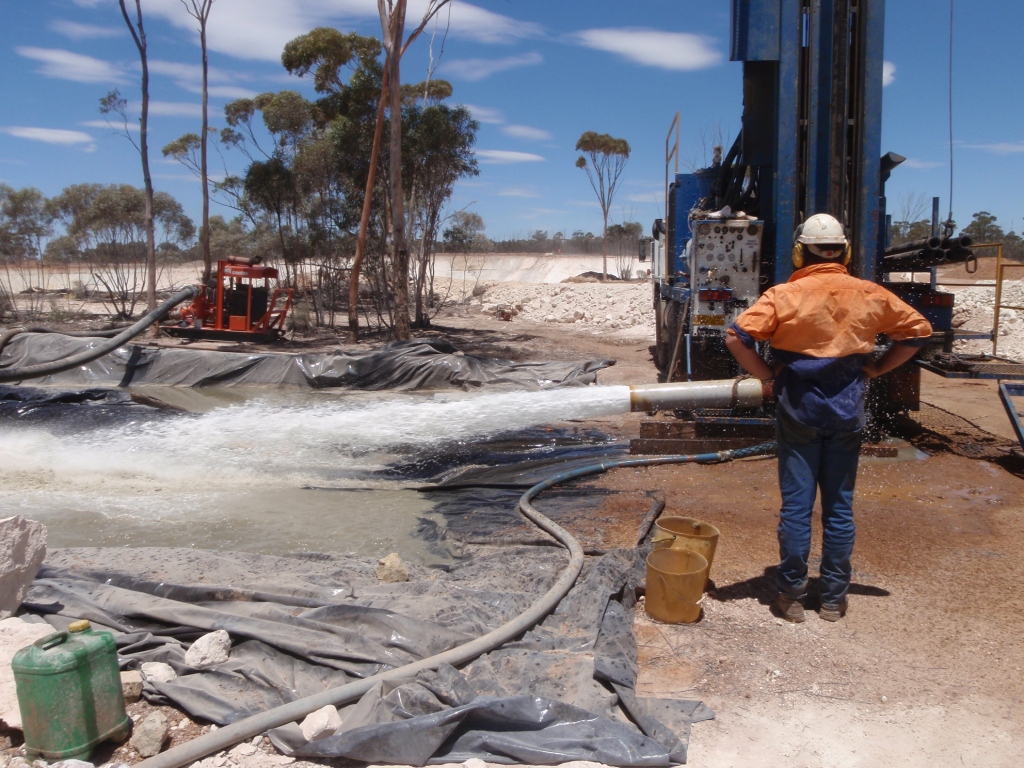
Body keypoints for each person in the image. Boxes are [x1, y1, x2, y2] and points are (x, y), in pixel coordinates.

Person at [724, 213, 932, 623]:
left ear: (800, 251)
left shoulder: (783, 295)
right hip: (847, 412)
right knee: (839, 507)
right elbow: (917, 333)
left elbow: (737, 336)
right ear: (845, 251)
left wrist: (767, 376)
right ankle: (834, 600)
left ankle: (791, 597)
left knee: (797, 507)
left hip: (798, 410)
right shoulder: (870, 294)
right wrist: (875, 369)